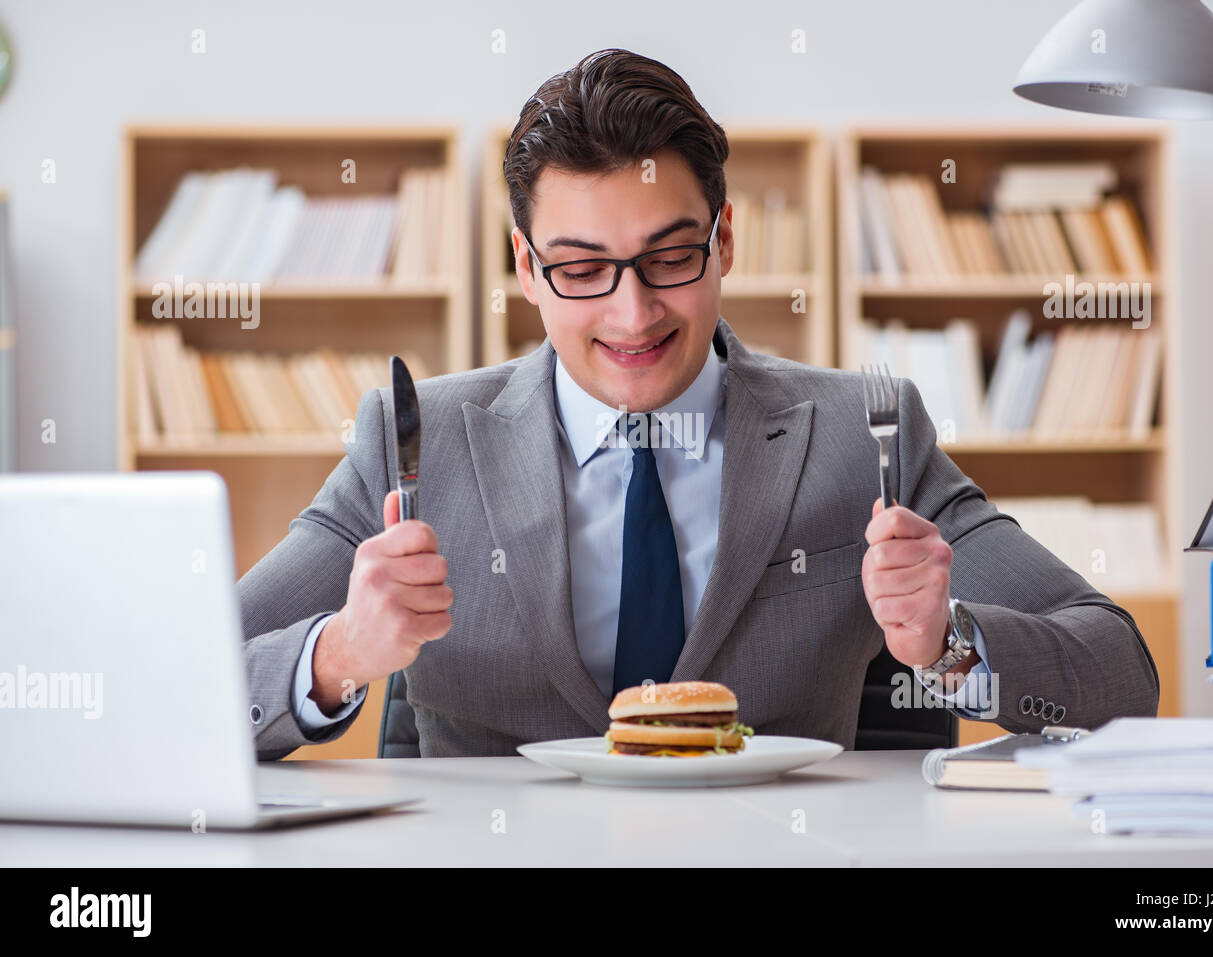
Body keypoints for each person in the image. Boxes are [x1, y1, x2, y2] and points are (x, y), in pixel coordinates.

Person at [238, 48, 1158, 760]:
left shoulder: (863, 434)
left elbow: (1122, 674)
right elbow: (175, 684)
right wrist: (337, 654)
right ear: (525, 268)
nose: (632, 314)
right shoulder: (416, 443)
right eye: (582, 269)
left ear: (725, 240)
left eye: (670, 258)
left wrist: (948, 643)